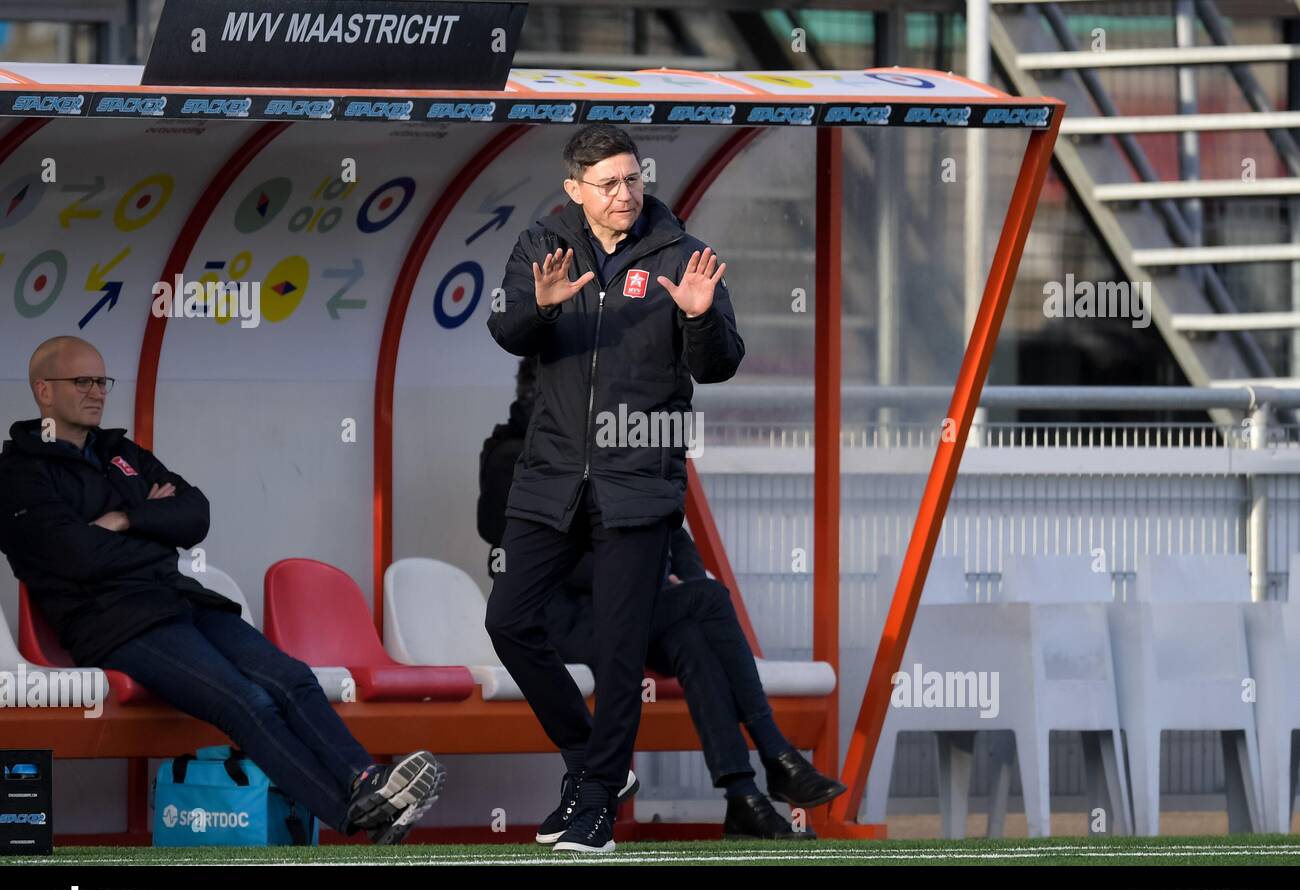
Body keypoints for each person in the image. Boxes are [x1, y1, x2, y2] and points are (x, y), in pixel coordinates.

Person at [0, 336, 444, 845]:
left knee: (291, 678)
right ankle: (358, 814)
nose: (98, 392)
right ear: (43, 391)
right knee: (245, 701)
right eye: (83, 381)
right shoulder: (17, 474)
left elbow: (195, 515)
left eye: (103, 381)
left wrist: (124, 519)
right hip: (115, 622)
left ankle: (366, 782)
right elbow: (76, 556)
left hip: (182, 599)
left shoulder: (119, 452)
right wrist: (153, 530)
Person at [484, 123, 743, 853]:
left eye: (633, 179)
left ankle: (597, 802)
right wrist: (541, 306)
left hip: (638, 483)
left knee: (620, 649)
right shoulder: (543, 246)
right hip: (552, 479)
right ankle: (589, 758)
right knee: (508, 622)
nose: (625, 194)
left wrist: (698, 321)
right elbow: (506, 330)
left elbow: (721, 363)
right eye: (608, 184)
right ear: (575, 190)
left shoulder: (682, 254)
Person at [481, 357, 846, 840]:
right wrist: (643, 578)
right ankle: (774, 753)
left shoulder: (610, 453)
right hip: (570, 622)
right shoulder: (515, 455)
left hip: (630, 612)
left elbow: (667, 532)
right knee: (707, 602)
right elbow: (525, 549)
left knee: (696, 634)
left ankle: (745, 797)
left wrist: (676, 579)